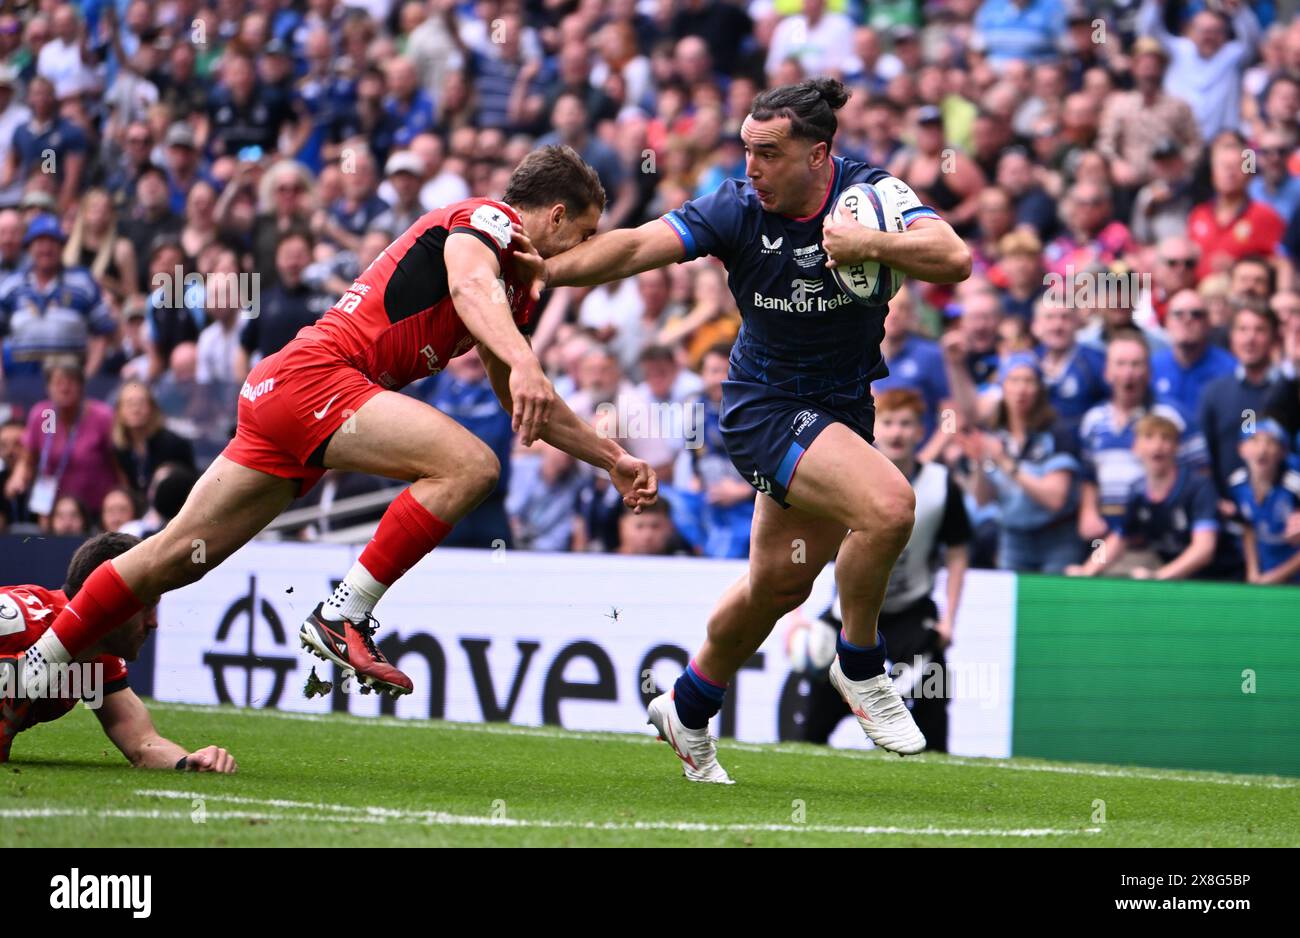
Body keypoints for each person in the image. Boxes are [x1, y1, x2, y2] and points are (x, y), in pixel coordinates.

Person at [7, 147, 658, 742]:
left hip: (286, 395)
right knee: (469, 466)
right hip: (316, 381)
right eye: (586, 234)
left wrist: (613, 459)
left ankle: (33, 670)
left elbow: (519, 401)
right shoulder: (486, 220)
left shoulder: (508, 295)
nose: (586, 248)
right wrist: (527, 362)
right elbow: (466, 286)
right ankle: (342, 614)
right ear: (556, 214)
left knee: (180, 555)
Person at [538, 78, 971, 781]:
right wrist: (540, 271)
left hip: (843, 406)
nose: (751, 168)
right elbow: (630, 250)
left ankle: (687, 703)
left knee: (779, 585)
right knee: (890, 508)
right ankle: (860, 664)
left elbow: (955, 258)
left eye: (768, 153)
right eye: (746, 151)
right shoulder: (735, 209)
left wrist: (868, 241)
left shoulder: (868, 196)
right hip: (763, 405)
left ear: (818, 154)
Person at [796, 389, 970, 752]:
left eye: (906, 424)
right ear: (875, 428)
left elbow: (957, 552)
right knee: (816, 717)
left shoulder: (941, 484)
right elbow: (803, 545)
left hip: (911, 613)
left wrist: (950, 619)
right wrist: (796, 616)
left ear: (920, 431)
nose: (897, 432)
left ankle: (938, 772)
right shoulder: (847, 478)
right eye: (888, 422)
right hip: (850, 610)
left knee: (933, 694)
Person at [0, 532, 236, 771]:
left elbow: (143, 743)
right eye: (146, 606)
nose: (154, 622)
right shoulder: (23, 620)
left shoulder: (99, 658)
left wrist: (191, 762)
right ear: (109, 599)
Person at [1067, 414, 1219, 580]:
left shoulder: (1198, 487)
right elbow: (1118, 538)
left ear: (1177, 447)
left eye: (1166, 438)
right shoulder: (1137, 490)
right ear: (1135, 446)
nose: (1158, 445)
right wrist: (1087, 570)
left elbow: (1204, 549)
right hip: (1172, 575)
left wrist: (1159, 575)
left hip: (1215, 578)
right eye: (1149, 437)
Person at [1229, 419, 1300, 585]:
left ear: (1283, 452)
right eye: (1254, 440)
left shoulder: (1294, 487)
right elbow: (1247, 528)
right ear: (1241, 449)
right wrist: (1253, 571)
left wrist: (1275, 577)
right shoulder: (1236, 483)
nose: (1262, 450)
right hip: (1262, 575)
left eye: (1270, 442)